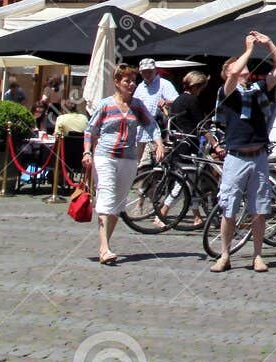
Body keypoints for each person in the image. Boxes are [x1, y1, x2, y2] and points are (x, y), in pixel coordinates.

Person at [211, 32, 276, 273]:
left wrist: (269, 43)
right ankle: (224, 255)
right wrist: (249, 51)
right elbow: (233, 73)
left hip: (259, 156)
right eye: (238, 65)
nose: (243, 68)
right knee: (229, 209)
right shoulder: (228, 92)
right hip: (236, 157)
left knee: (259, 210)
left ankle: (257, 255)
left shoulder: (258, 89)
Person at [81, 66, 158, 265]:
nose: (132, 85)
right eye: (127, 81)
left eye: (134, 81)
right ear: (117, 82)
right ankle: (105, 248)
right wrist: (87, 151)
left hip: (129, 158)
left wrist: (158, 143)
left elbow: (151, 124)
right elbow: (91, 130)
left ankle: (103, 246)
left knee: (118, 202)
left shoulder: (138, 105)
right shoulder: (106, 105)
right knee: (106, 195)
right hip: (105, 156)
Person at [167, 71, 212, 136]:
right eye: (201, 88)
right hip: (189, 140)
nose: (201, 91)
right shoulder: (192, 100)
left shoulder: (178, 99)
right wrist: (215, 144)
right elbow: (201, 126)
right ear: (195, 86)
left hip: (177, 138)